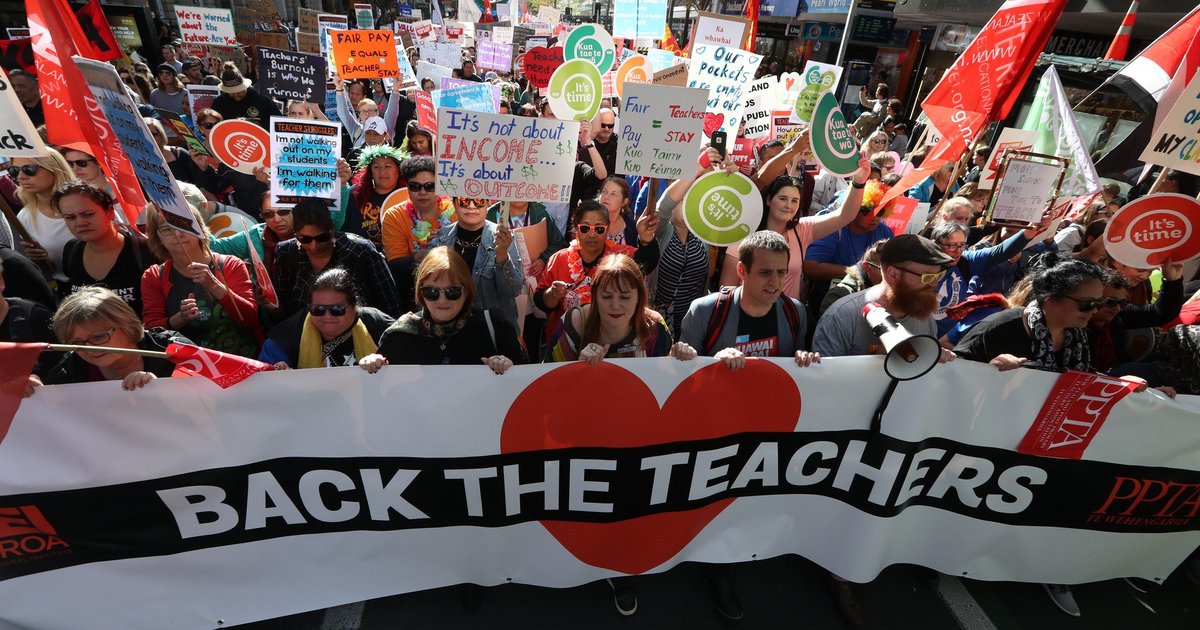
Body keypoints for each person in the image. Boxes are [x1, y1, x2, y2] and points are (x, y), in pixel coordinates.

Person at [361, 247, 524, 371]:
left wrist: (510, 367)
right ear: (420, 292)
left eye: (452, 292)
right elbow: (381, 393)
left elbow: (525, 382)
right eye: (431, 292)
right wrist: (373, 365)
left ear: (467, 290)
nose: (442, 300)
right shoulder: (400, 334)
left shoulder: (494, 326)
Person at [813, 234, 958, 361]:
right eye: (927, 277)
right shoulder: (841, 317)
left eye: (939, 275)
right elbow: (825, 379)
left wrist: (932, 357)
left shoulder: (924, 317)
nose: (934, 283)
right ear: (893, 274)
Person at [141, 207, 261, 358]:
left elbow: (249, 318)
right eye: (167, 229)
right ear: (157, 238)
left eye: (184, 224)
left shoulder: (231, 264)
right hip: (190, 369)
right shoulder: (154, 276)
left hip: (243, 360)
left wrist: (214, 285)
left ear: (200, 229)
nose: (178, 234)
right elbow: (151, 331)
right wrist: (179, 319)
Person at [534, 201, 661, 340]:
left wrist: (646, 237)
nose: (592, 234)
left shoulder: (620, 257)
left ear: (607, 229)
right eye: (585, 228)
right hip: (567, 339)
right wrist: (552, 294)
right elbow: (541, 302)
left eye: (599, 229)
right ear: (576, 229)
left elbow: (647, 262)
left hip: (610, 341)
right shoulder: (559, 259)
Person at [38, 286, 192, 390]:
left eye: (98, 337)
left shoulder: (171, 348)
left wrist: (163, 388)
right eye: (76, 342)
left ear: (126, 325)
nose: (89, 348)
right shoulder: (71, 368)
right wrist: (35, 391)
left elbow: (211, 390)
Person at [544, 253, 689, 362]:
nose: (615, 305)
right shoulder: (573, 324)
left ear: (639, 297)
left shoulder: (654, 327)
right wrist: (579, 367)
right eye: (606, 296)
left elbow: (665, 380)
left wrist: (683, 360)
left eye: (625, 297)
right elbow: (548, 383)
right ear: (595, 297)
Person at [273, 198, 402, 318]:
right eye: (305, 239)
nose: (314, 245)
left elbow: (389, 301)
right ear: (295, 234)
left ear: (331, 230)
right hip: (302, 333)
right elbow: (282, 305)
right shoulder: (286, 252)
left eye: (321, 238)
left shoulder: (360, 251)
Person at [930, 215, 1050, 338]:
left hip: (945, 338)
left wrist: (1030, 231)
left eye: (962, 245)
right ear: (935, 245)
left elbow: (1000, 251)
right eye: (952, 245)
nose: (958, 251)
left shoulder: (966, 261)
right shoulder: (920, 266)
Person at [260, 268, 395, 369]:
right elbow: (265, 380)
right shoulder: (286, 338)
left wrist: (384, 360)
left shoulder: (377, 323)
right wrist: (279, 372)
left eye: (337, 309)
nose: (327, 316)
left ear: (354, 307)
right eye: (318, 309)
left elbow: (410, 354)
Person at [55, 183, 153, 314]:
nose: (80, 223)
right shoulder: (71, 250)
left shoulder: (145, 250)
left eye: (88, 214)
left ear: (110, 212)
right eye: (70, 218)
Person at [800, 176, 895, 305]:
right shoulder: (833, 227)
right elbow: (810, 267)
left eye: (880, 211)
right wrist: (859, 272)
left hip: (871, 303)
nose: (874, 217)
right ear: (853, 208)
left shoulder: (884, 232)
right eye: (867, 210)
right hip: (827, 302)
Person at [428, 197, 523, 325]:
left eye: (479, 201)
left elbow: (512, 291)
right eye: (464, 201)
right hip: (450, 328)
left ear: (488, 204)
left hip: (492, 330)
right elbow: (428, 290)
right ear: (454, 204)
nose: (471, 206)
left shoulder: (504, 238)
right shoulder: (441, 238)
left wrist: (502, 255)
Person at [13, 149, 79, 284]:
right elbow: (48, 272)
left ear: (54, 168)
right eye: (14, 170)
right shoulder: (25, 217)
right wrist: (40, 261)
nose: (20, 176)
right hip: (67, 290)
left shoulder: (89, 201)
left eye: (28, 169)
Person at [346, 145, 408, 249]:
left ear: (398, 171)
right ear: (370, 172)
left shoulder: (408, 196)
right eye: (376, 167)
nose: (382, 172)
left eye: (388, 166)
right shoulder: (354, 194)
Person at [820, 239, 887, 317]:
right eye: (883, 270)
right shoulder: (840, 295)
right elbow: (829, 326)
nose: (890, 277)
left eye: (894, 272)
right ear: (866, 267)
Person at [211, 62, 282, 129]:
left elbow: (278, 123)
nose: (236, 94)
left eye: (239, 90)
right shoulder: (219, 103)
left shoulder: (262, 100)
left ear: (244, 86)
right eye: (231, 92)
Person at [576, 109, 618, 201]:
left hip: (612, 200)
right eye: (603, 125)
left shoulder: (619, 145)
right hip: (586, 200)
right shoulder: (584, 143)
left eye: (610, 126)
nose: (607, 128)